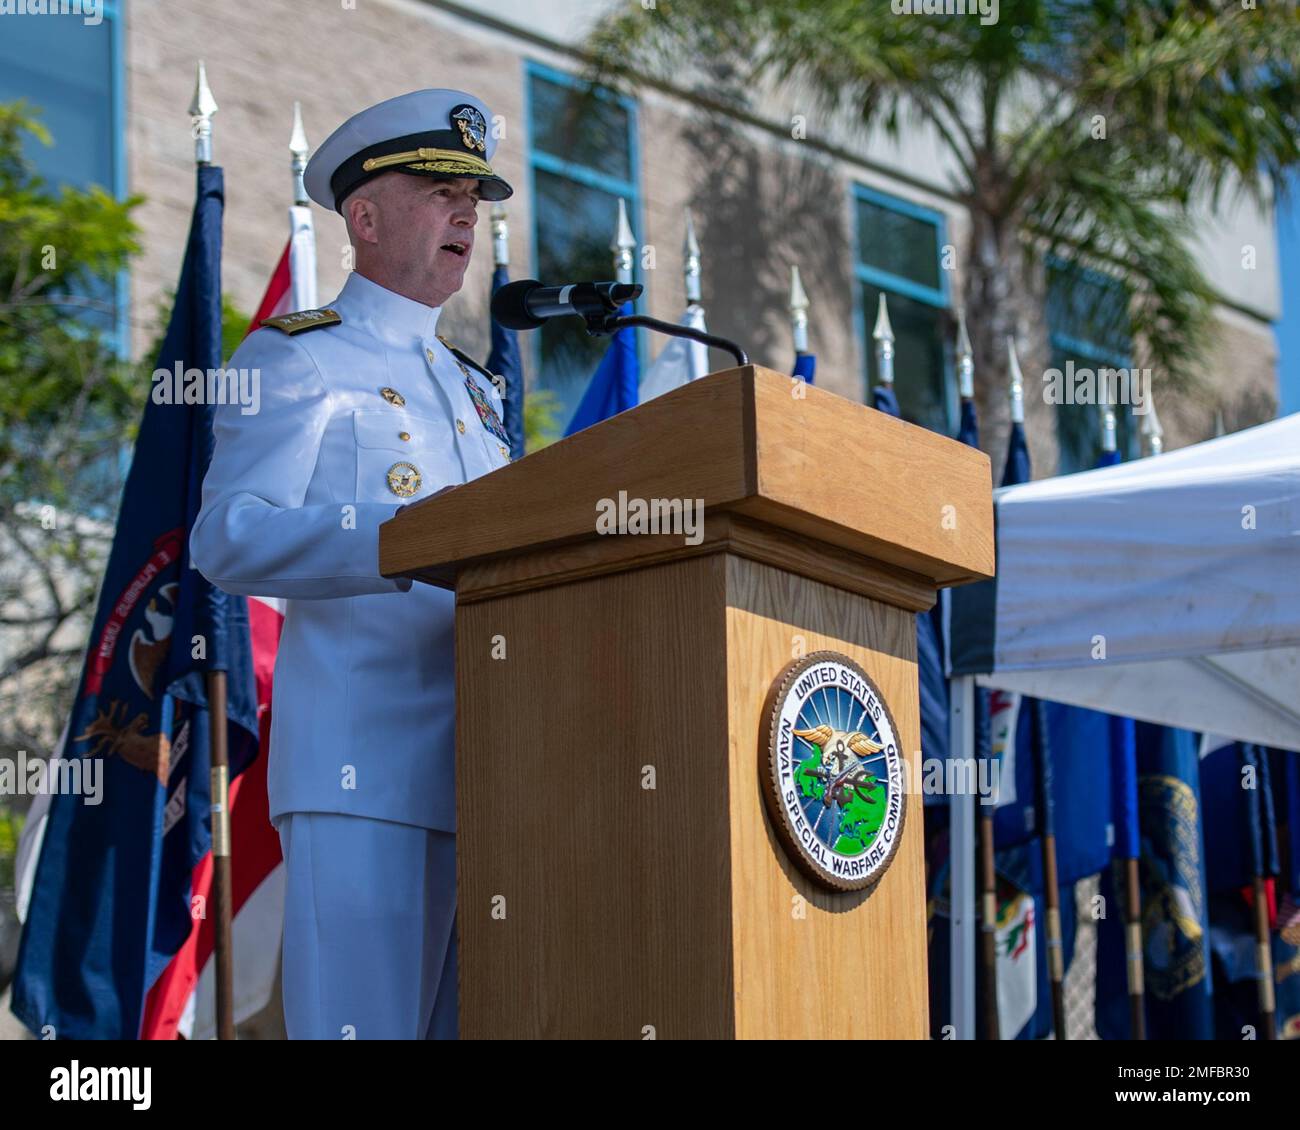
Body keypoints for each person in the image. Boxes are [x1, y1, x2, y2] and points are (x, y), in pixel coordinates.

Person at [191, 88, 514, 1039]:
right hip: (362, 770)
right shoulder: (296, 360)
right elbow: (229, 536)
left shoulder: (474, 390)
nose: (467, 214)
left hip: (498, 768)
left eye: (476, 199)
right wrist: (402, 538)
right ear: (363, 217)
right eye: (440, 191)